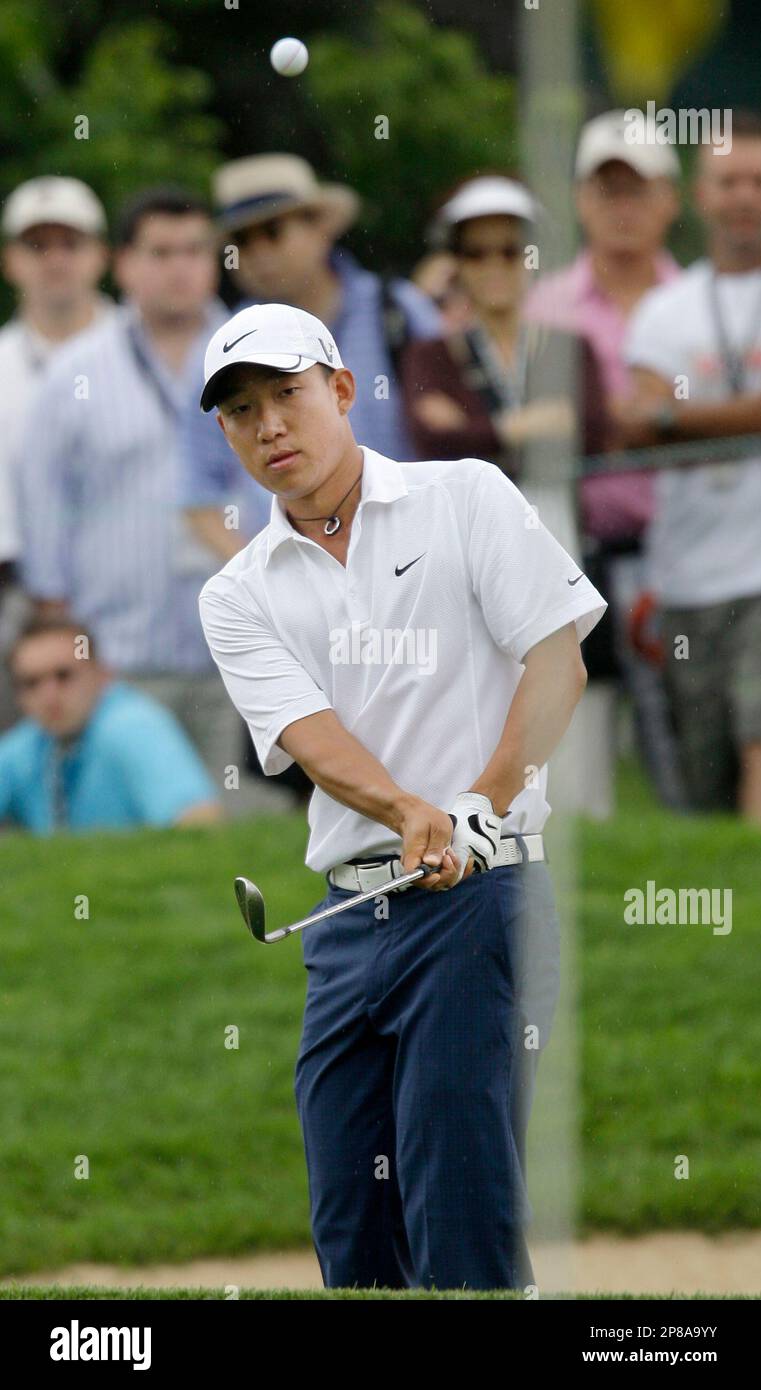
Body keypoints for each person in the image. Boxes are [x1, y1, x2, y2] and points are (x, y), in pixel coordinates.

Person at [196, 301, 607, 1292]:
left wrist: (478, 798)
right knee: (353, 1228)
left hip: (477, 901)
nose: (270, 427)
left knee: (457, 1212)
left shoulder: (462, 494)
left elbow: (555, 662)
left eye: (286, 395)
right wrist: (409, 812)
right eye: (241, 411)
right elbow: (310, 737)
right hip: (344, 922)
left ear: (340, 389)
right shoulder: (238, 590)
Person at [14, 186, 290, 817]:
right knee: (131, 818)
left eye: (194, 250)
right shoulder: (76, 372)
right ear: (125, 264)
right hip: (117, 649)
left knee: (221, 816)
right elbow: (43, 501)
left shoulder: (262, 357)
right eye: (160, 252)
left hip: (232, 643)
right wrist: (65, 631)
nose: (179, 267)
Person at [525, 110, 685, 811]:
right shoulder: (545, 307)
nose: (622, 208)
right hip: (572, 549)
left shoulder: (699, 302)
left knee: (677, 734)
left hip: (685, 549)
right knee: (579, 736)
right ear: (582, 201)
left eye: (637, 190)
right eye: (605, 191)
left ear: (669, 201)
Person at [179, 154, 442, 567]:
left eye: (272, 231)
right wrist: (267, 581)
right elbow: (199, 497)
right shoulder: (217, 352)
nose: (259, 252)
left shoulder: (400, 311)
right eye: (242, 242)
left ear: (320, 229)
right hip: (293, 584)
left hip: (418, 562)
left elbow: (452, 440)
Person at [621, 110, 761, 823]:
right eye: (727, 180)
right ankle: (727, 916)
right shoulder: (665, 308)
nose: (743, 195)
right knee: (702, 783)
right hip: (686, 575)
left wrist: (682, 419)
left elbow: (658, 417)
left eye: (759, 181)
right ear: (700, 194)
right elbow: (634, 420)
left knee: (760, 734)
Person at [0, 176, 114, 733]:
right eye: (37, 245)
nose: (55, 260)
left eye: (70, 243)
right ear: (10, 261)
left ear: (100, 255)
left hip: (131, 592)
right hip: (17, 597)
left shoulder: (146, 353)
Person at [400, 175, 607, 483]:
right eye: (476, 253)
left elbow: (594, 433)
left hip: (561, 521)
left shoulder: (572, 348)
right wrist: (531, 425)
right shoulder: (429, 357)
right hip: (468, 527)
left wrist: (475, 430)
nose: (494, 265)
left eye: (511, 251)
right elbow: (434, 441)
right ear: (456, 262)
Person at [0, 615, 220, 833]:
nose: (50, 696)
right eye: (31, 683)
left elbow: (199, 820)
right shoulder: (29, 742)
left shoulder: (130, 725)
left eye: (64, 676)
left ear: (102, 674)